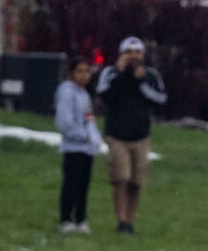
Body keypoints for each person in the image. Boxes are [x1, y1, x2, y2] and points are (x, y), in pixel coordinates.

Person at [94, 35, 166, 234]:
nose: (133, 57)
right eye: (128, 52)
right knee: (121, 178)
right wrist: (119, 74)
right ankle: (121, 221)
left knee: (136, 181)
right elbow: (104, 95)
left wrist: (141, 81)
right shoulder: (110, 72)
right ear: (121, 54)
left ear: (143, 55)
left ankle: (130, 221)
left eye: (136, 52)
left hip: (141, 136)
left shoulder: (150, 75)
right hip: (117, 135)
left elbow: (160, 99)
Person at [53, 57, 97, 234]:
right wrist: (81, 135)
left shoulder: (84, 94)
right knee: (71, 183)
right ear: (71, 73)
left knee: (83, 184)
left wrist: (93, 135)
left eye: (86, 71)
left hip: (86, 147)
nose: (84, 75)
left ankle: (80, 218)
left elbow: (89, 117)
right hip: (73, 146)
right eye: (80, 71)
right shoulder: (66, 92)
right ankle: (65, 219)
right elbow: (64, 121)